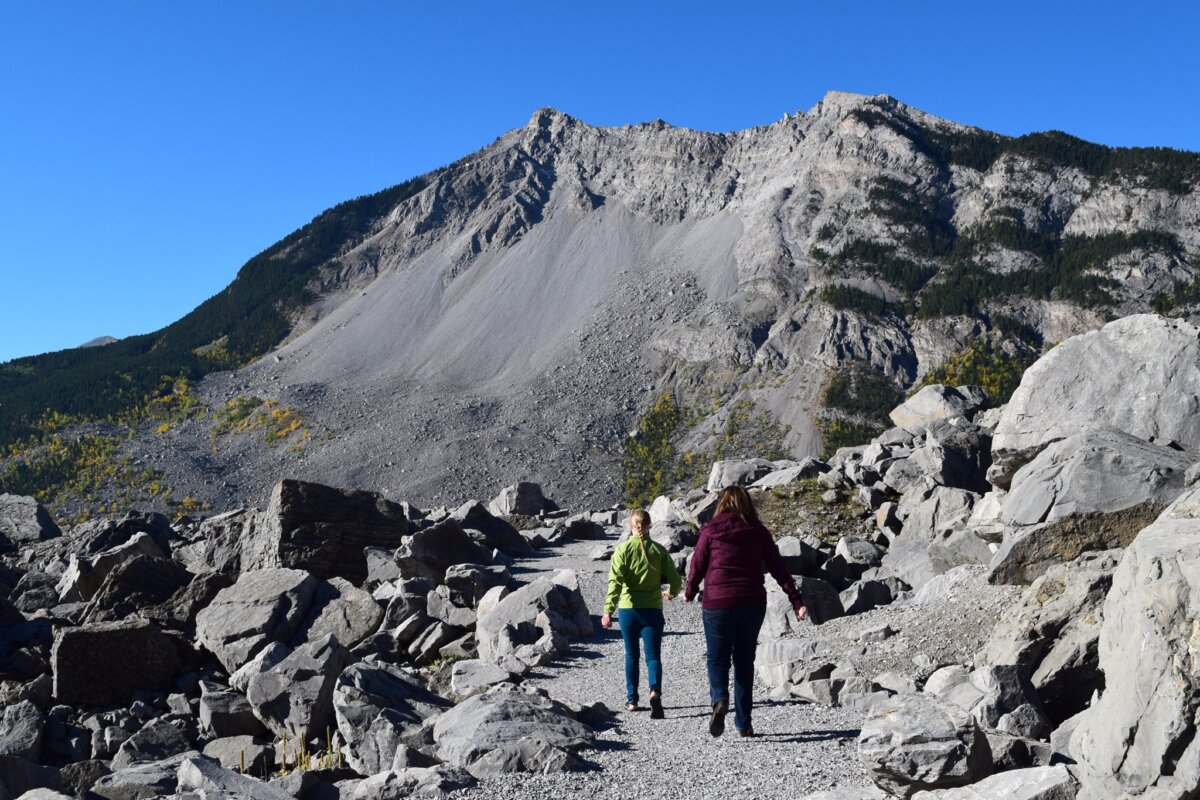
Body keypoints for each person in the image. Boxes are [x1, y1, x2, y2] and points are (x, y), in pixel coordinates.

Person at [685, 485, 806, 738]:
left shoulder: (710, 529)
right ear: (747, 504)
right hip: (751, 602)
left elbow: (698, 563)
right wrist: (796, 601)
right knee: (743, 662)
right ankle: (744, 723)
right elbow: (778, 568)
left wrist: (690, 589)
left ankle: (719, 699)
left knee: (717, 659)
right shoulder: (758, 531)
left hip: (717, 602)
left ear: (722, 505)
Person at [601, 509, 683, 718]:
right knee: (653, 656)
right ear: (650, 526)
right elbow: (676, 581)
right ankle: (655, 690)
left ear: (631, 525)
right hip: (653, 610)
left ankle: (632, 700)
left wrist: (608, 611)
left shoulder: (623, 550)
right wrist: (671, 593)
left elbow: (615, 583)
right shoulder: (659, 551)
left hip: (628, 610)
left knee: (631, 655)